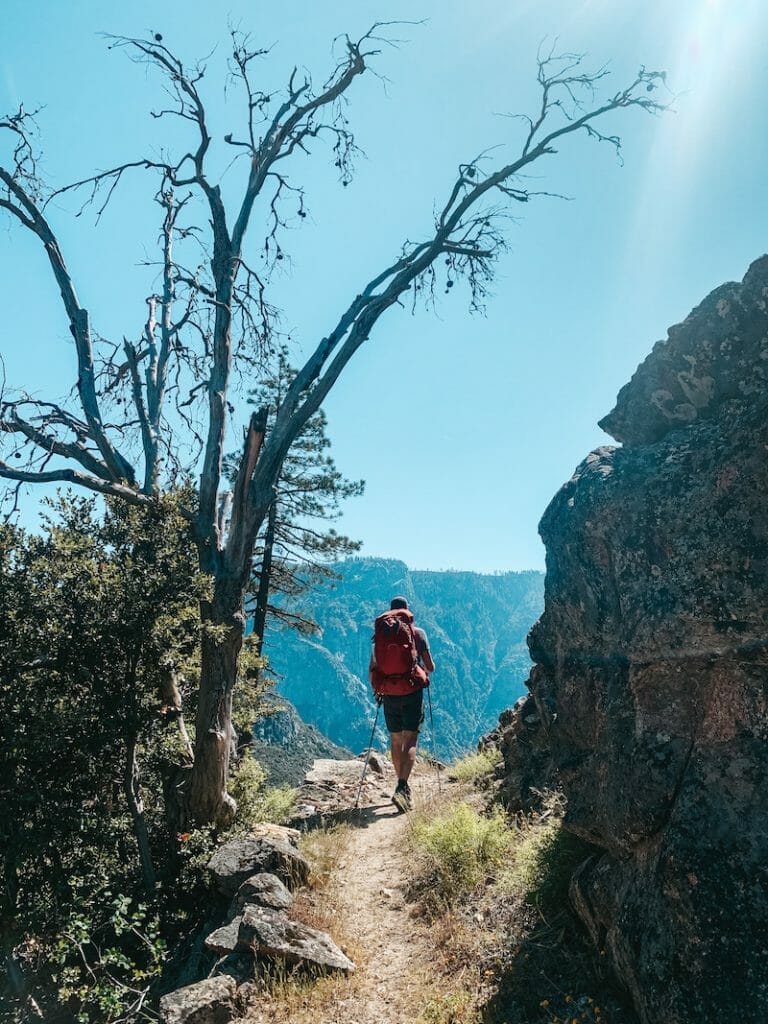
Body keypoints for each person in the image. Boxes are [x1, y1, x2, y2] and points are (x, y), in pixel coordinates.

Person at [369, 596, 435, 812]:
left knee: (396, 738)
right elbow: (430, 667)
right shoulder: (418, 633)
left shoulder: (379, 636)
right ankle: (403, 786)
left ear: (390, 612)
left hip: (389, 692)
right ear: (407, 612)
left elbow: (373, 667)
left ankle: (400, 785)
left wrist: (379, 689)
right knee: (411, 738)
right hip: (411, 691)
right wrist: (421, 670)